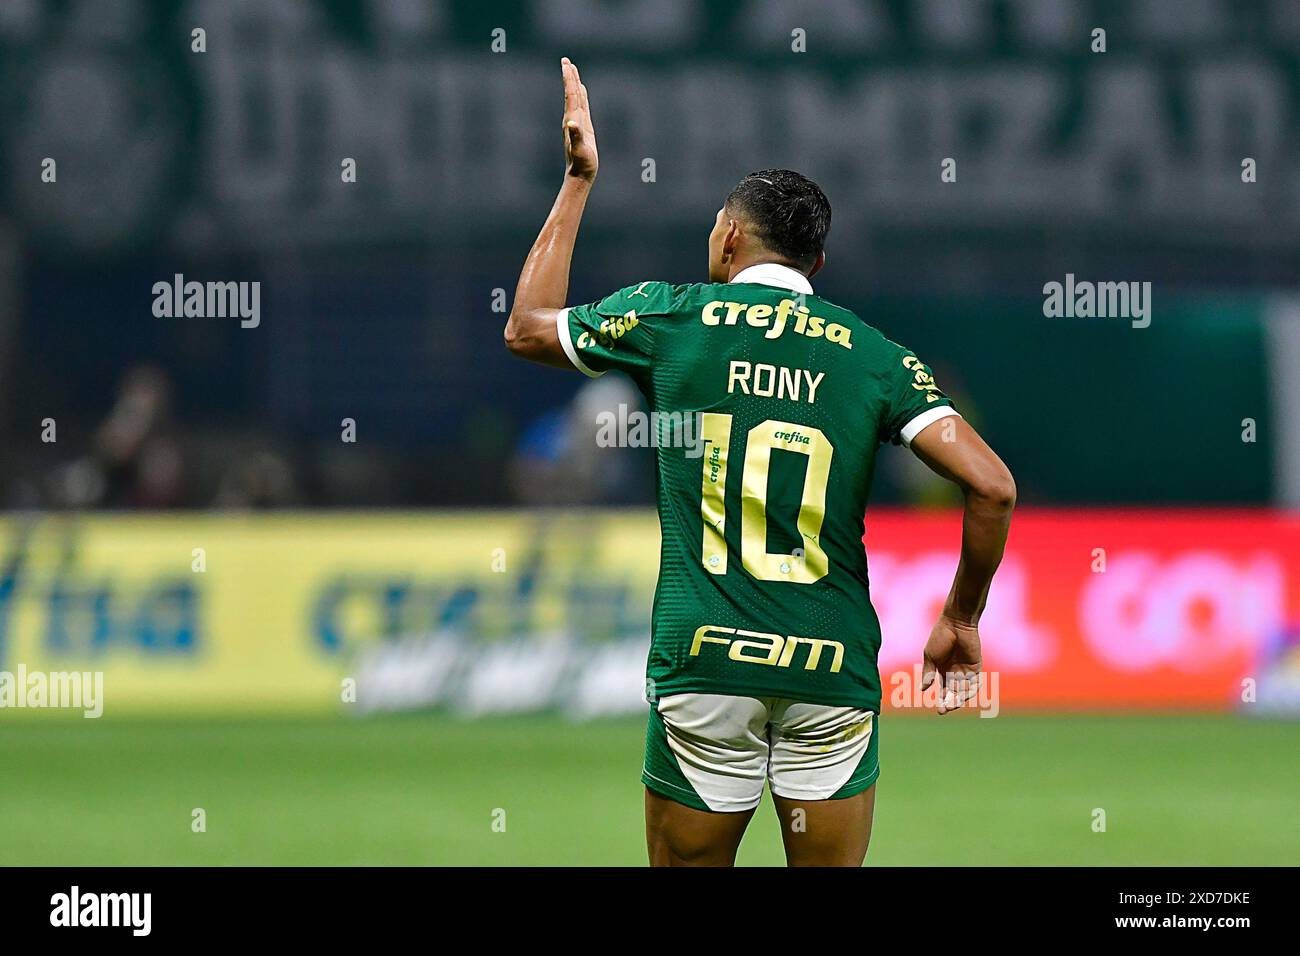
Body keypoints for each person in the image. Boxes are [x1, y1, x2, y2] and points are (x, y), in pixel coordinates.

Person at [504, 59, 1016, 867]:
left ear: (731, 237)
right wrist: (960, 618)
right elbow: (992, 486)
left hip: (705, 657)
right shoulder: (872, 355)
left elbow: (529, 324)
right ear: (813, 266)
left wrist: (578, 179)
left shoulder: (671, 319)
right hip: (829, 664)